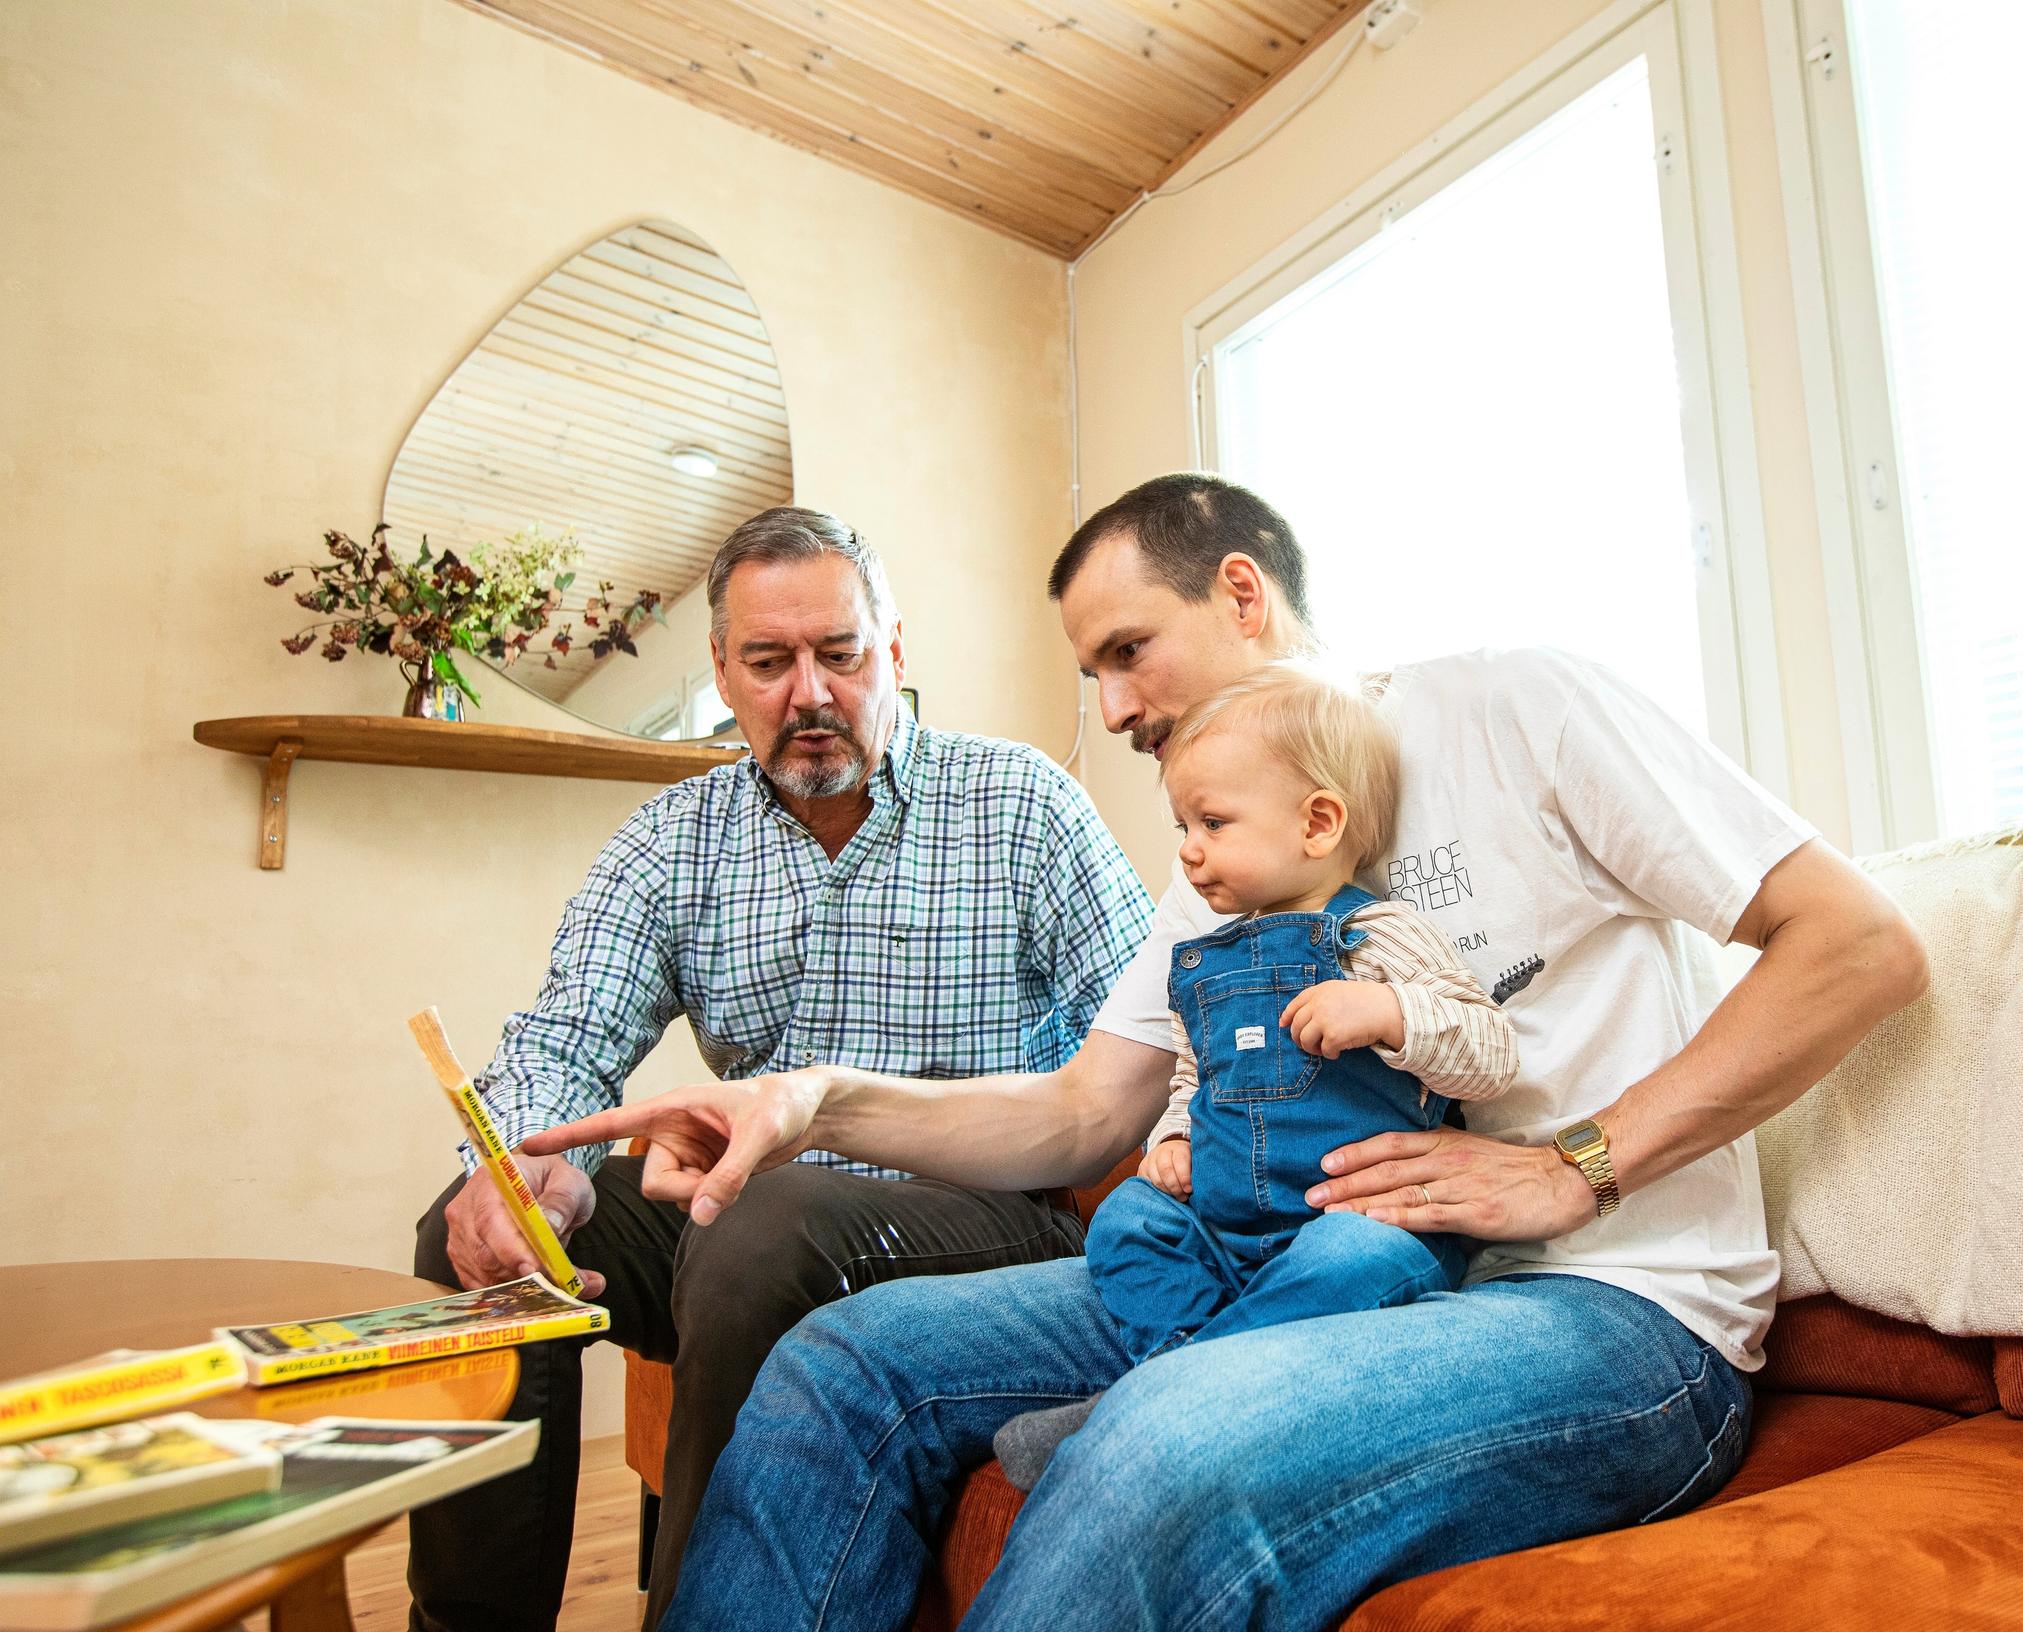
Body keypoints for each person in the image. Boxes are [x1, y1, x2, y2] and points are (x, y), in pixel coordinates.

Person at [532, 475, 1929, 1632]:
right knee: (844, 1365)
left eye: (1128, 653)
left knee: (1169, 1445)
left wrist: (1576, 1165)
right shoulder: (1212, 879)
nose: (1117, 709)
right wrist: (823, 1097)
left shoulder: (1517, 709)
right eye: (1095, 677)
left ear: (1243, 595)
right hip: (1263, 1272)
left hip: (1608, 1317)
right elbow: (1085, 1111)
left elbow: (1857, 945)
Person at [406, 507, 1153, 1632]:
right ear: (722, 670)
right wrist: (518, 1172)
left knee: (767, 1216)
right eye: (768, 662)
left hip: (990, 1215)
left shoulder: (1023, 806)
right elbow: (566, 1038)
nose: (808, 693)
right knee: (476, 1231)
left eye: (840, 655)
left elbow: (1153, 1032)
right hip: (749, 1220)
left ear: (893, 651)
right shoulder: (674, 842)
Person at [992, 662, 1521, 1484]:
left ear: (1317, 824)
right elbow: (1191, 1082)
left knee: (1351, 1264)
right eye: (1182, 828)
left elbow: (1490, 1052)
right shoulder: (1201, 959)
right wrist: (1170, 1140)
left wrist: (1387, 1014)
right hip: (1225, 1227)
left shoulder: (1378, 937)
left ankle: (1152, 1398)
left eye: (1212, 821)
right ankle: (1192, 1375)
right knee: (1124, 1223)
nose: (1190, 852)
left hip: (1361, 1222)